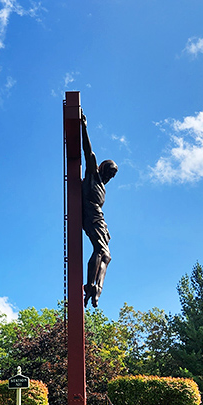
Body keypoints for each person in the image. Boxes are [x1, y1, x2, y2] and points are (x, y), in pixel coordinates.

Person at [81, 112, 117, 308]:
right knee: (100, 250)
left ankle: (97, 288)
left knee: (107, 256)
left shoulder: (102, 186)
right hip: (92, 219)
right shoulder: (92, 175)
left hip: (99, 220)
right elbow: (88, 151)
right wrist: (84, 127)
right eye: (109, 172)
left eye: (113, 176)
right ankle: (90, 285)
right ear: (102, 167)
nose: (110, 177)